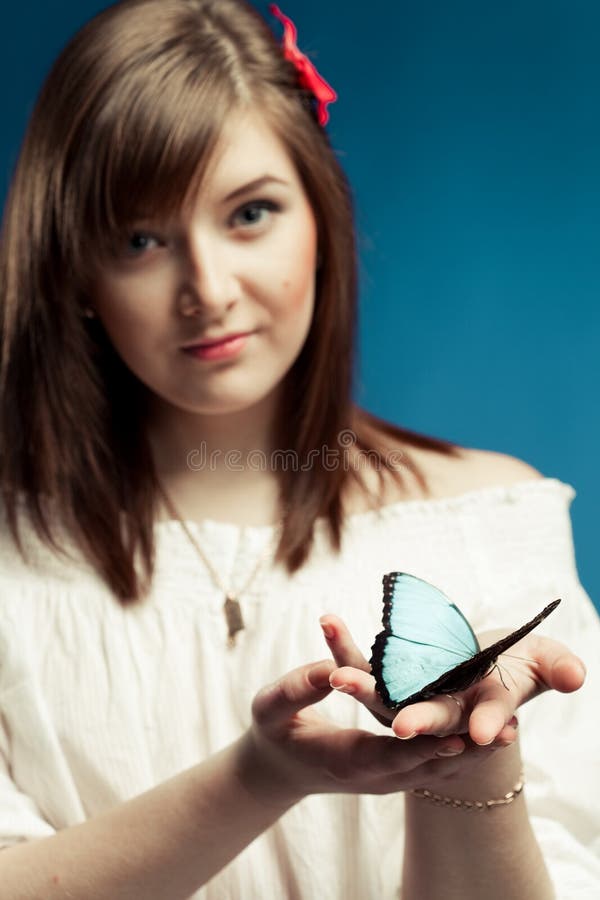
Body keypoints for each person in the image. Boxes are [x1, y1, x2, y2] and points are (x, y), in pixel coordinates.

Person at [0, 1, 598, 897]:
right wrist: (259, 778)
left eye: (250, 214)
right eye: (140, 239)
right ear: (76, 271)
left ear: (320, 219)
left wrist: (470, 764)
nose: (208, 289)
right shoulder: (14, 564)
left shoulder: (491, 527)